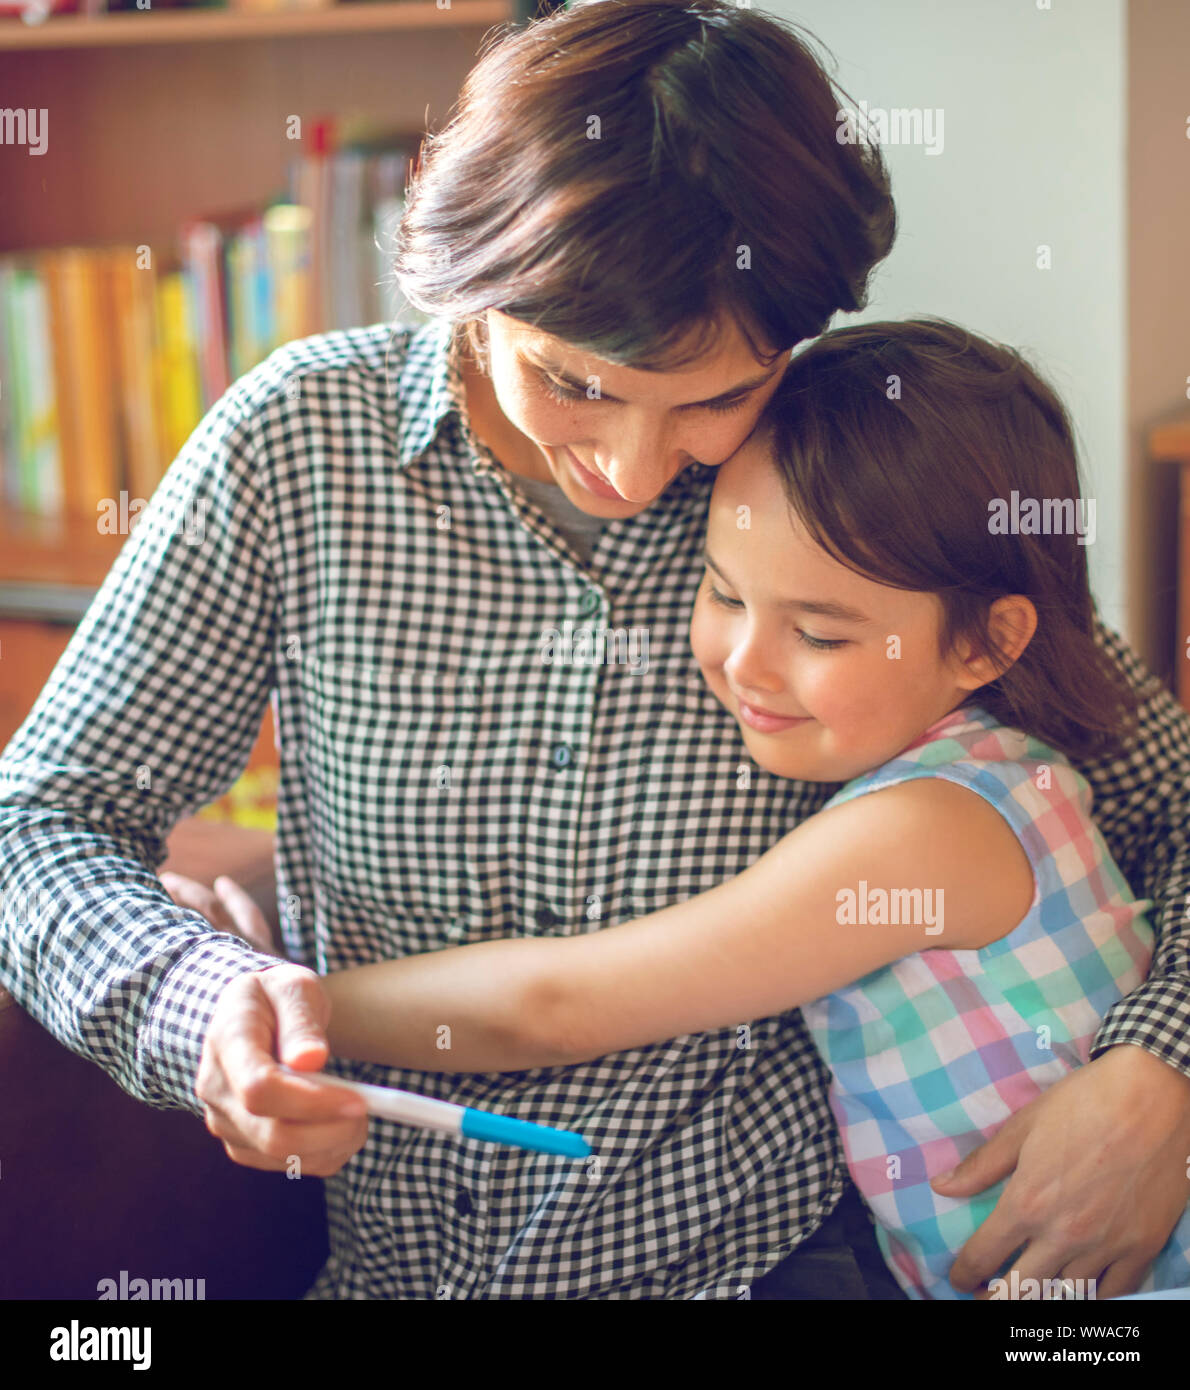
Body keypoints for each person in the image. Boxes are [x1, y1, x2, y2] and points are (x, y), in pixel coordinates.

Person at [2, 0, 1189, 1300]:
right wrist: (205, 1002)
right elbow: (44, 823)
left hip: (778, 1263)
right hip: (406, 1271)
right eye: (574, 383)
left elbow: (1162, 803)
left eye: (710, 398)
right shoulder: (297, 446)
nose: (631, 469)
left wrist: (1156, 1072)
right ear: (465, 291)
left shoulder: (833, 485)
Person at [286, 318, 1190, 1299]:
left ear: (983, 645)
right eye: (721, 592)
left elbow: (551, 1009)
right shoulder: (998, 773)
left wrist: (287, 1000)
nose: (743, 663)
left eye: (815, 633)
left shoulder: (919, 835)